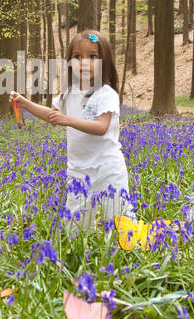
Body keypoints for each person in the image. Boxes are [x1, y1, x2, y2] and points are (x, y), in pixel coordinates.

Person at [10, 29, 135, 235]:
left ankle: (132, 250)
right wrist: (25, 104)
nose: (84, 62)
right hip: (78, 171)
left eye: (92, 56)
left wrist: (68, 120)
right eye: (77, 57)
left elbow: (101, 127)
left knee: (118, 221)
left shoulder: (106, 94)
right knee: (75, 226)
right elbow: (52, 115)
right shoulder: (69, 93)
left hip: (108, 169)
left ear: (104, 61)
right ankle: (79, 257)